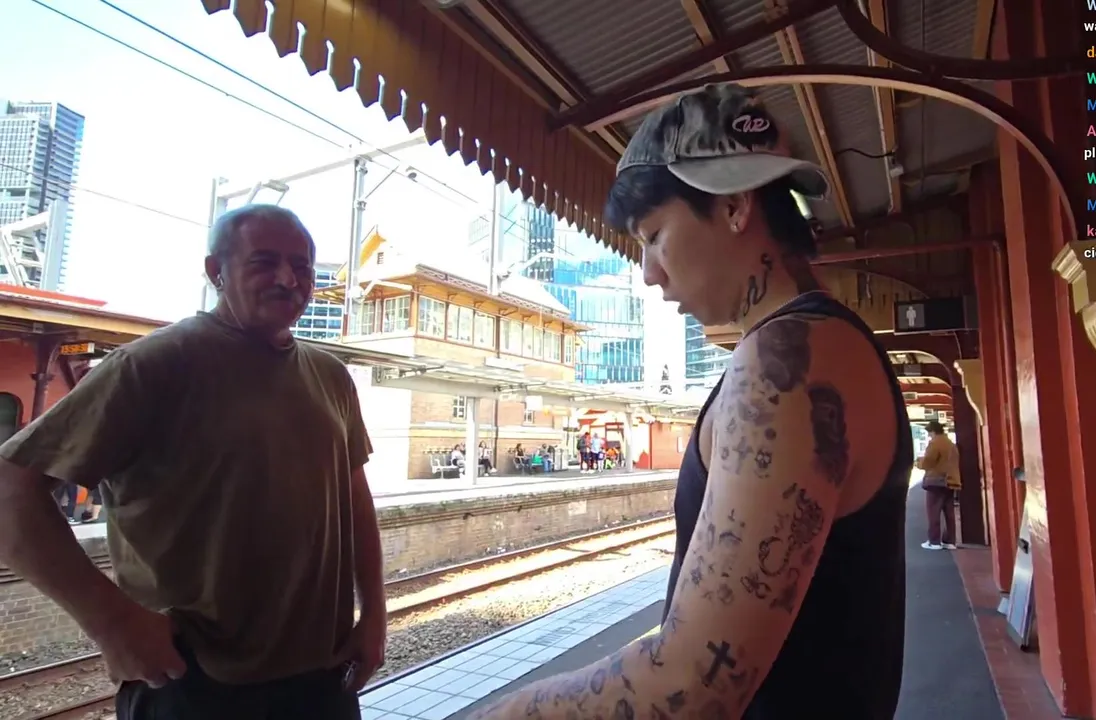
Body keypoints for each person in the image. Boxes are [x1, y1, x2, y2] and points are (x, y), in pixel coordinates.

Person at [465, 82, 911, 720]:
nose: (649, 272)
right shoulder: (821, 343)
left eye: (653, 235)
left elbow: (692, 683)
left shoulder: (787, 361)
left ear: (733, 205)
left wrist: (507, 713)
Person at [0, 204, 385, 719]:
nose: (288, 279)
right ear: (215, 271)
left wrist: (375, 613)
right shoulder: (153, 365)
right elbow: (11, 490)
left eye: (302, 267)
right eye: (264, 262)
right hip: (193, 683)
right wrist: (112, 622)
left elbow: (354, 498)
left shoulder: (331, 376)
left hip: (323, 678)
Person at [917, 420, 961, 550]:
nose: (929, 436)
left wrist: (918, 462)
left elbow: (928, 462)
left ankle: (934, 542)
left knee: (933, 512)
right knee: (949, 513)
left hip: (935, 481)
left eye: (929, 433)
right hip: (951, 481)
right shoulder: (951, 445)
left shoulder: (935, 443)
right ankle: (950, 541)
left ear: (933, 431)